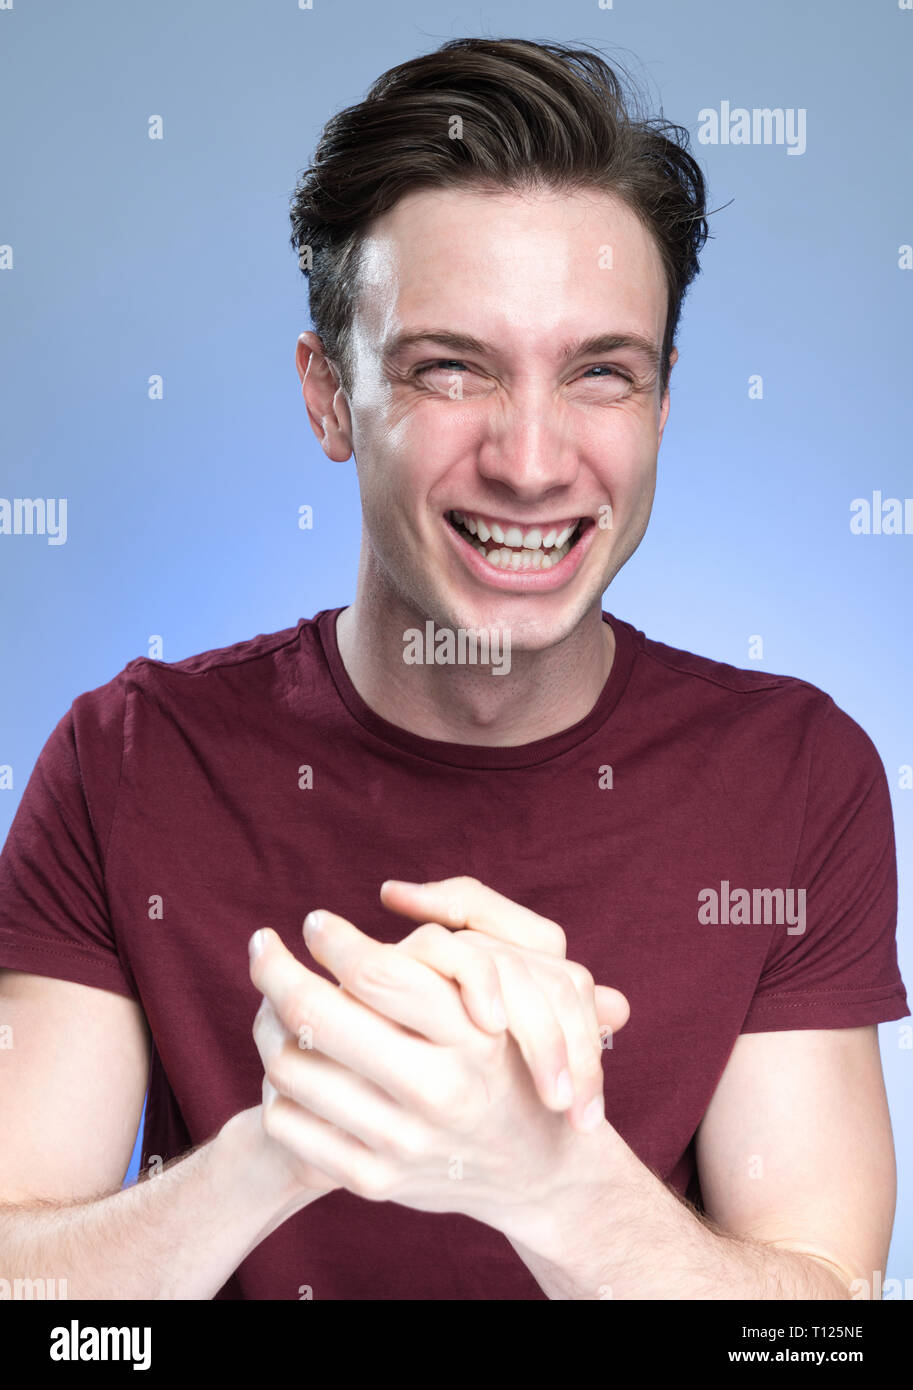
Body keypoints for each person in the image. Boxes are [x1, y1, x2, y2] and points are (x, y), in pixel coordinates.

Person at [0, 36, 906, 1302]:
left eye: (600, 372)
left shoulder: (798, 774)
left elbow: (813, 1331)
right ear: (327, 398)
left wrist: (554, 1184)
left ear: (659, 404)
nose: (531, 461)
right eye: (449, 368)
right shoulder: (126, 759)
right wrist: (294, 1139)